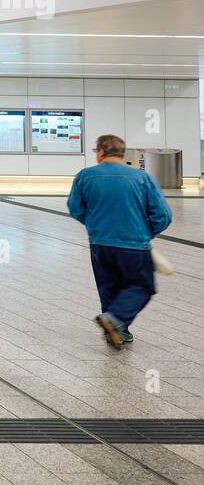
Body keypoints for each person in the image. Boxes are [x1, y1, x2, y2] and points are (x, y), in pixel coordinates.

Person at [67, 134, 172, 349]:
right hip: (134, 245)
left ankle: (118, 331)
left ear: (101, 152)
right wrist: (146, 232)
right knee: (141, 286)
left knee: (109, 287)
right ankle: (115, 321)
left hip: (100, 244)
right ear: (121, 154)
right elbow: (163, 215)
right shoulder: (141, 178)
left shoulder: (85, 176)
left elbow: (75, 207)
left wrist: (95, 226)